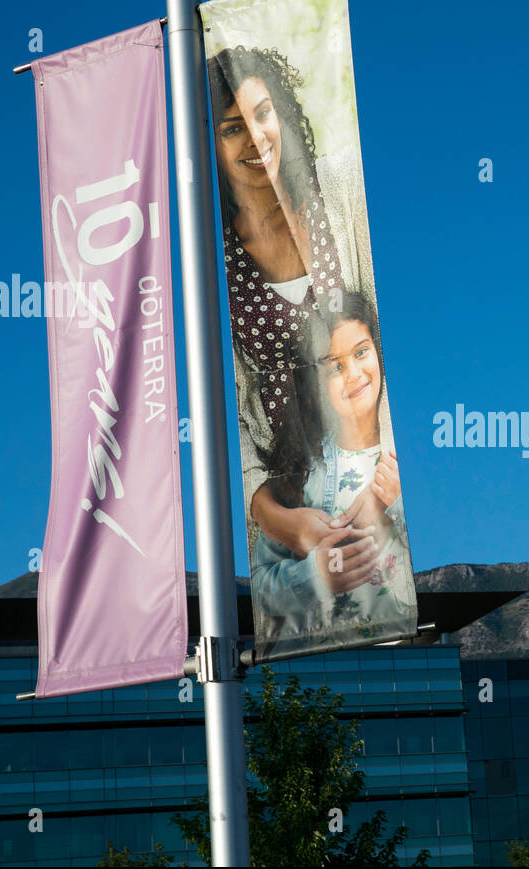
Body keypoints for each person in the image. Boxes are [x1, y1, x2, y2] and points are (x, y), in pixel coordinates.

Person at [207, 45, 383, 571]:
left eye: (263, 114)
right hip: (285, 502)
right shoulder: (209, 253)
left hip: (372, 466)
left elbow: (384, 341)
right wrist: (278, 520)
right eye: (231, 128)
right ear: (208, 145)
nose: (256, 136)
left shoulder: (342, 190)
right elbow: (231, 417)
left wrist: (381, 485)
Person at [249, 292, 415, 639]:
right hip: (330, 656)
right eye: (335, 366)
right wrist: (314, 576)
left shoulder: (409, 458)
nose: (354, 373)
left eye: (360, 352)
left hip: (404, 643)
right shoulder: (304, 474)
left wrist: (398, 502)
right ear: (314, 388)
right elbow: (260, 587)